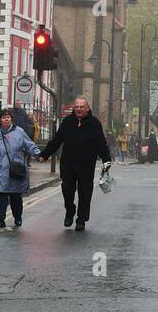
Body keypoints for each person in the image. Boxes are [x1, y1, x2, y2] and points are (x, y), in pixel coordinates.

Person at [41, 96, 111, 231]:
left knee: (85, 194)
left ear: (87, 108)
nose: (78, 109)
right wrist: (45, 154)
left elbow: (101, 144)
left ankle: (81, 220)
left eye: (81, 107)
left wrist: (106, 160)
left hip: (86, 165)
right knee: (67, 190)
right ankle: (70, 210)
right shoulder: (67, 121)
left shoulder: (94, 123)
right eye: (77, 107)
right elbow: (57, 140)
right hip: (68, 164)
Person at [0, 109, 40, 229]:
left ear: (11, 119)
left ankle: (18, 217)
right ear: (0, 120)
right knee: (1, 196)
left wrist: (39, 154)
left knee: (15, 197)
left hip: (15, 170)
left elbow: (29, 144)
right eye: (3, 117)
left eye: (8, 117)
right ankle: (0, 219)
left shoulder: (19, 132)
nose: (6, 119)